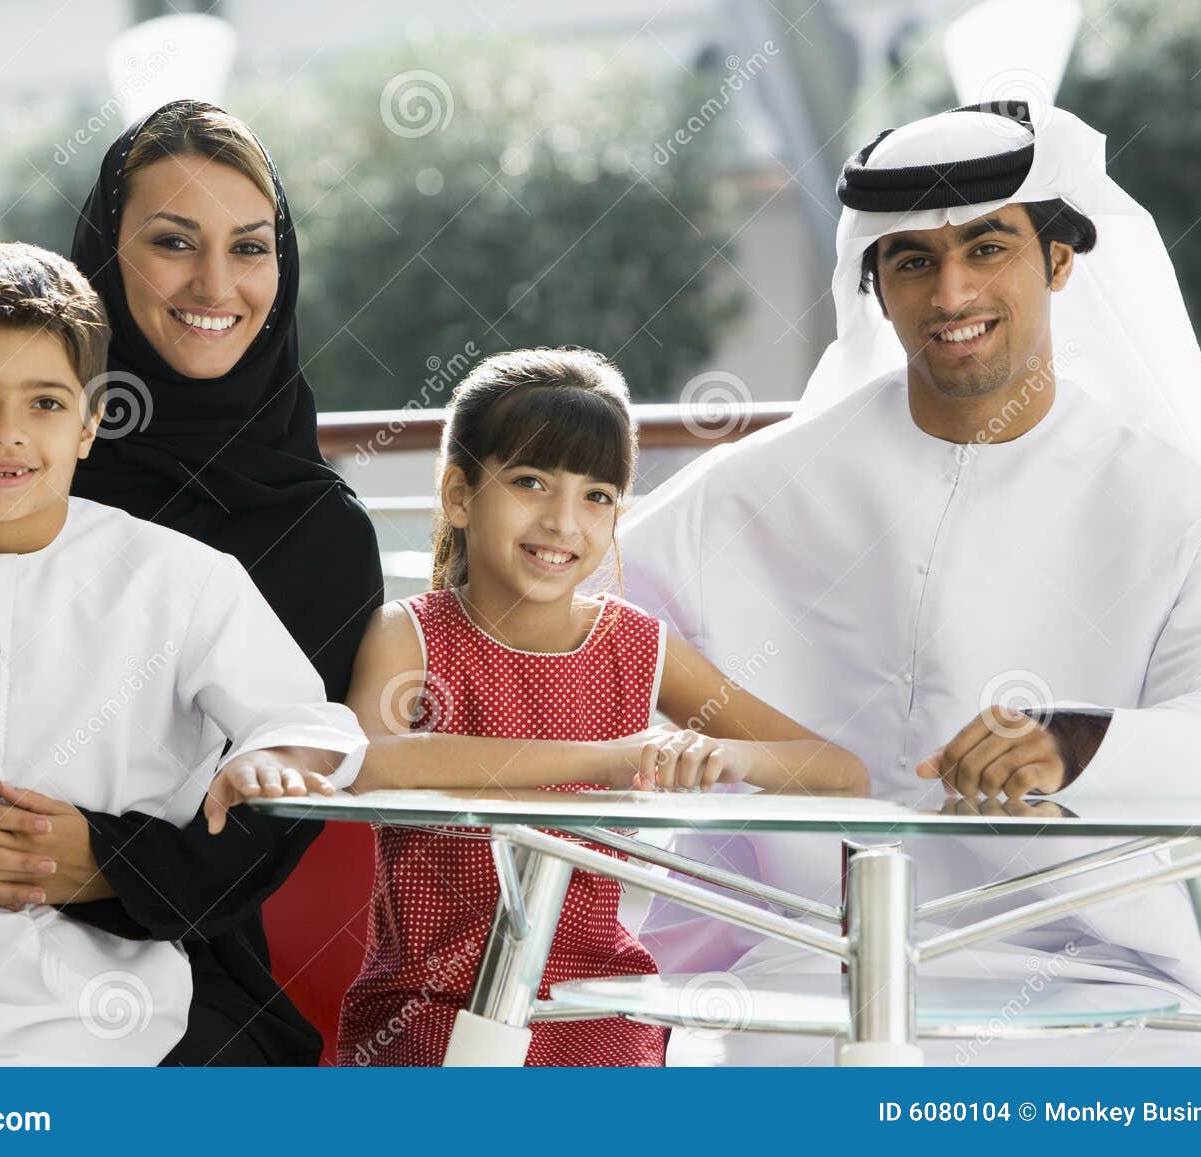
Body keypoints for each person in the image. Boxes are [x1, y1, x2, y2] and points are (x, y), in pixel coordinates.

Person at [619, 102, 1201, 1065]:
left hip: (1105, 980)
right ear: (878, 287)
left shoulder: (1188, 518)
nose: (951, 294)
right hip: (814, 969)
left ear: (1059, 262)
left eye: (987, 248)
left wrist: (1079, 744)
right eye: (913, 261)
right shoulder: (752, 487)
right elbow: (570, 619)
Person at [0, 100, 385, 1065]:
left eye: (250, 248)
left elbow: (268, 824)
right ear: (104, 259)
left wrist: (95, 862)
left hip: (176, 955)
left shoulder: (316, 529)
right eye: (173, 241)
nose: (216, 283)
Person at [335, 348, 867, 1066]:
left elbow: (840, 773)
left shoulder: (636, 643)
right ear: (459, 495)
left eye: (597, 496)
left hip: (596, 1002)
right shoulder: (409, 634)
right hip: (428, 1007)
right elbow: (370, 762)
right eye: (530, 482)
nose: (564, 522)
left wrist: (719, 754)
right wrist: (608, 758)